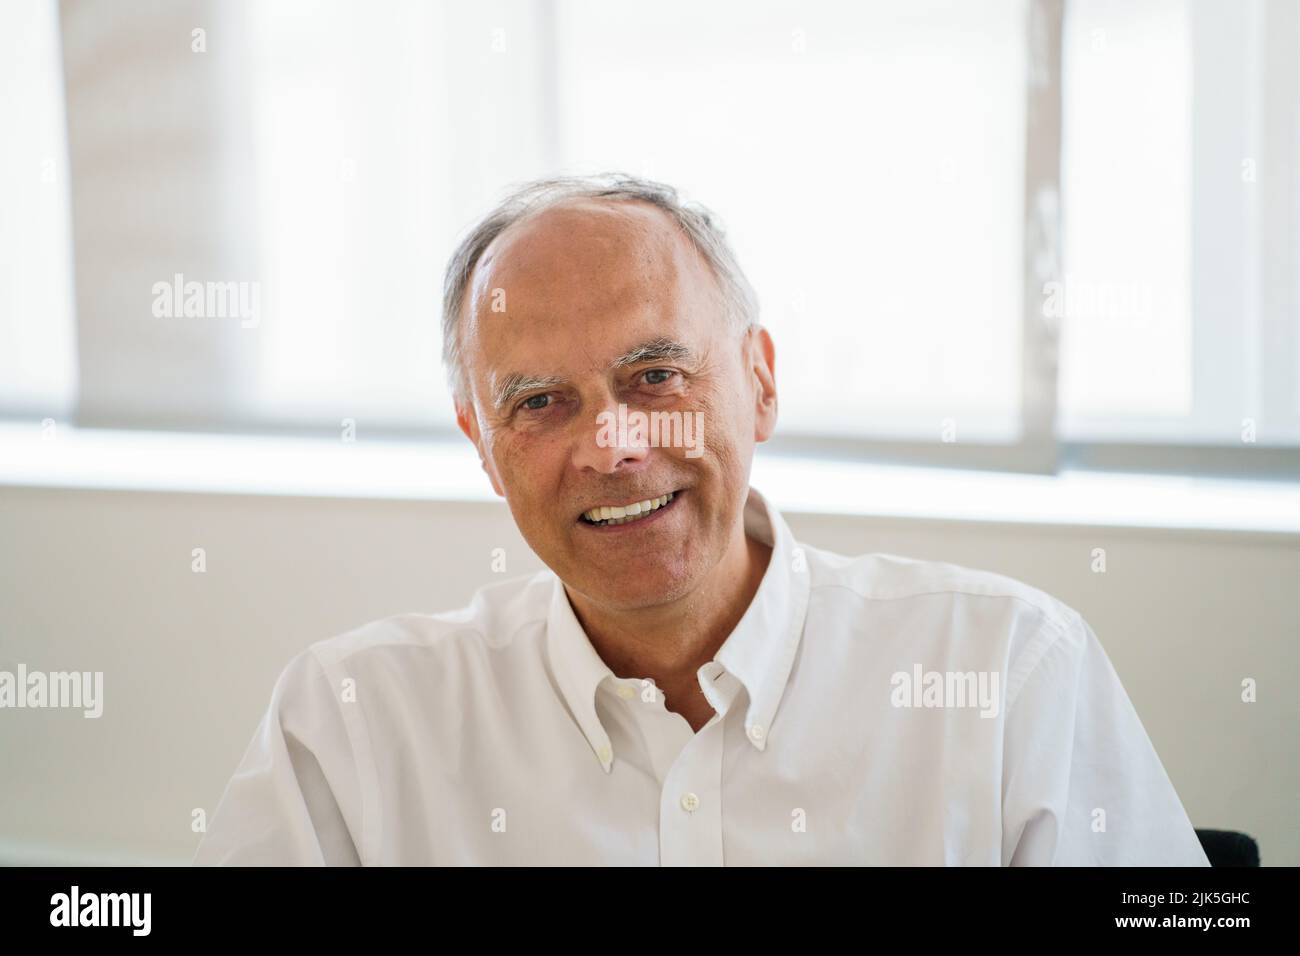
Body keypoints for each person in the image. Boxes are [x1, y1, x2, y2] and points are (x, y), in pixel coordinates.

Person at [194, 174, 1209, 866]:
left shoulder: (1011, 672)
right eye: (541, 400)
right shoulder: (350, 723)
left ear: (759, 384)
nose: (613, 445)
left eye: (655, 374)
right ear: (481, 442)